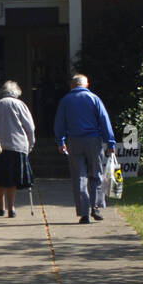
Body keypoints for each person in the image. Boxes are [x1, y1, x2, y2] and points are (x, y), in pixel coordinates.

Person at [53, 74, 116, 224]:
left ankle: (83, 213)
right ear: (86, 85)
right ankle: (95, 207)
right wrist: (110, 143)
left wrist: (60, 141)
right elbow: (104, 120)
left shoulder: (65, 100)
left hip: (74, 141)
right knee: (96, 174)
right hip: (93, 141)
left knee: (79, 177)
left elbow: (59, 123)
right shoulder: (94, 99)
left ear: (72, 85)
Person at [0, 81, 35, 218]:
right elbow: (30, 127)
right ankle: (12, 207)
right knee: (12, 179)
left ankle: (0, 206)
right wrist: (30, 145)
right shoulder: (20, 105)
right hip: (17, 146)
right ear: (16, 93)